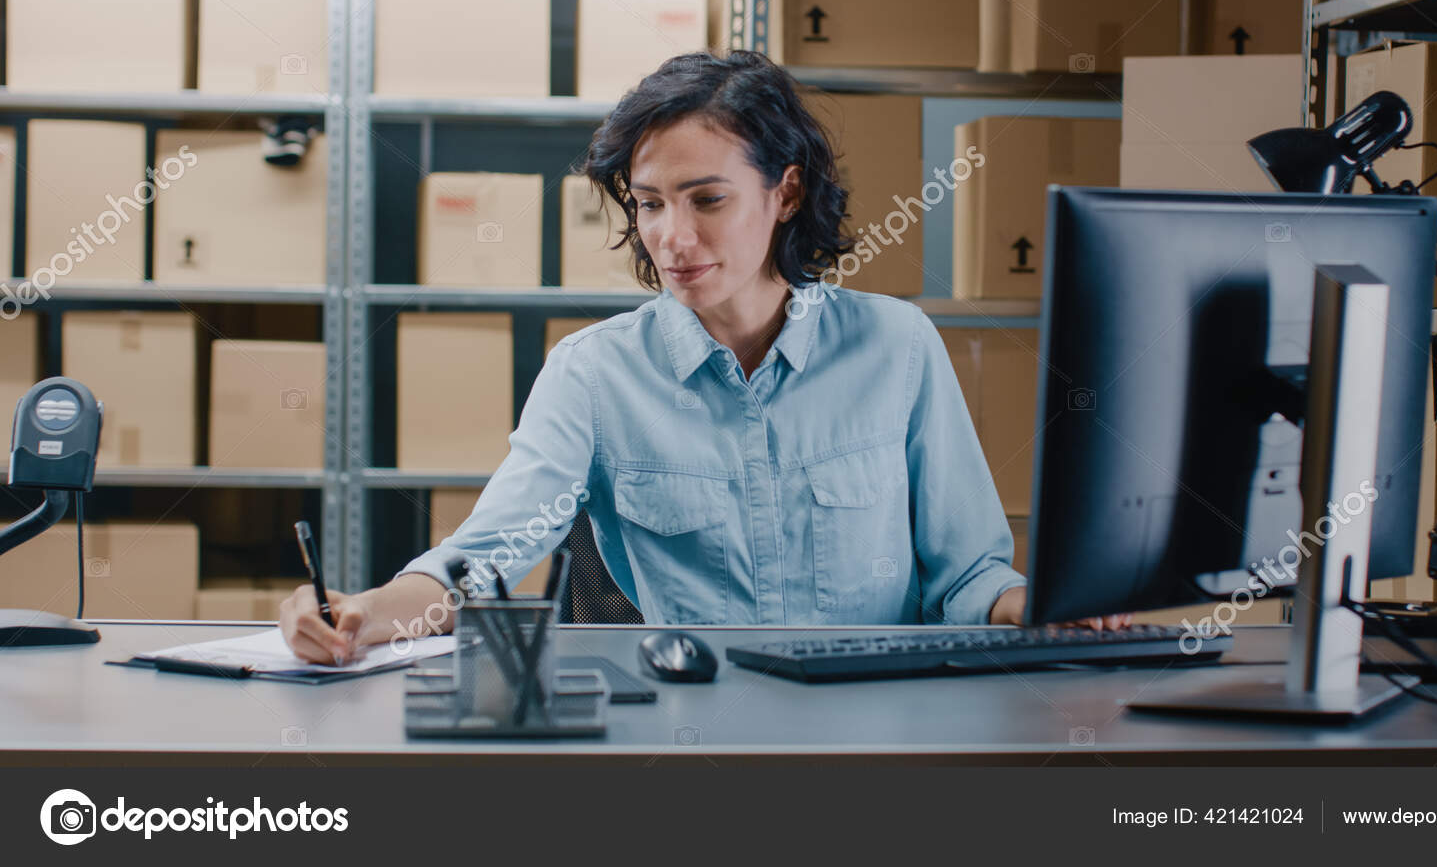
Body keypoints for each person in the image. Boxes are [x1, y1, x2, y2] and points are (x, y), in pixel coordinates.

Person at [280, 50, 1125, 665]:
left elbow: (967, 571)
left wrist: (1047, 608)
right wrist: (358, 612)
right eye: (648, 204)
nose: (670, 239)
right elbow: (485, 556)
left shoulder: (895, 346)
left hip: (875, 721)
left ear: (785, 191)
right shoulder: (596, 374)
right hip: (695, 723)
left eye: (707, 200)